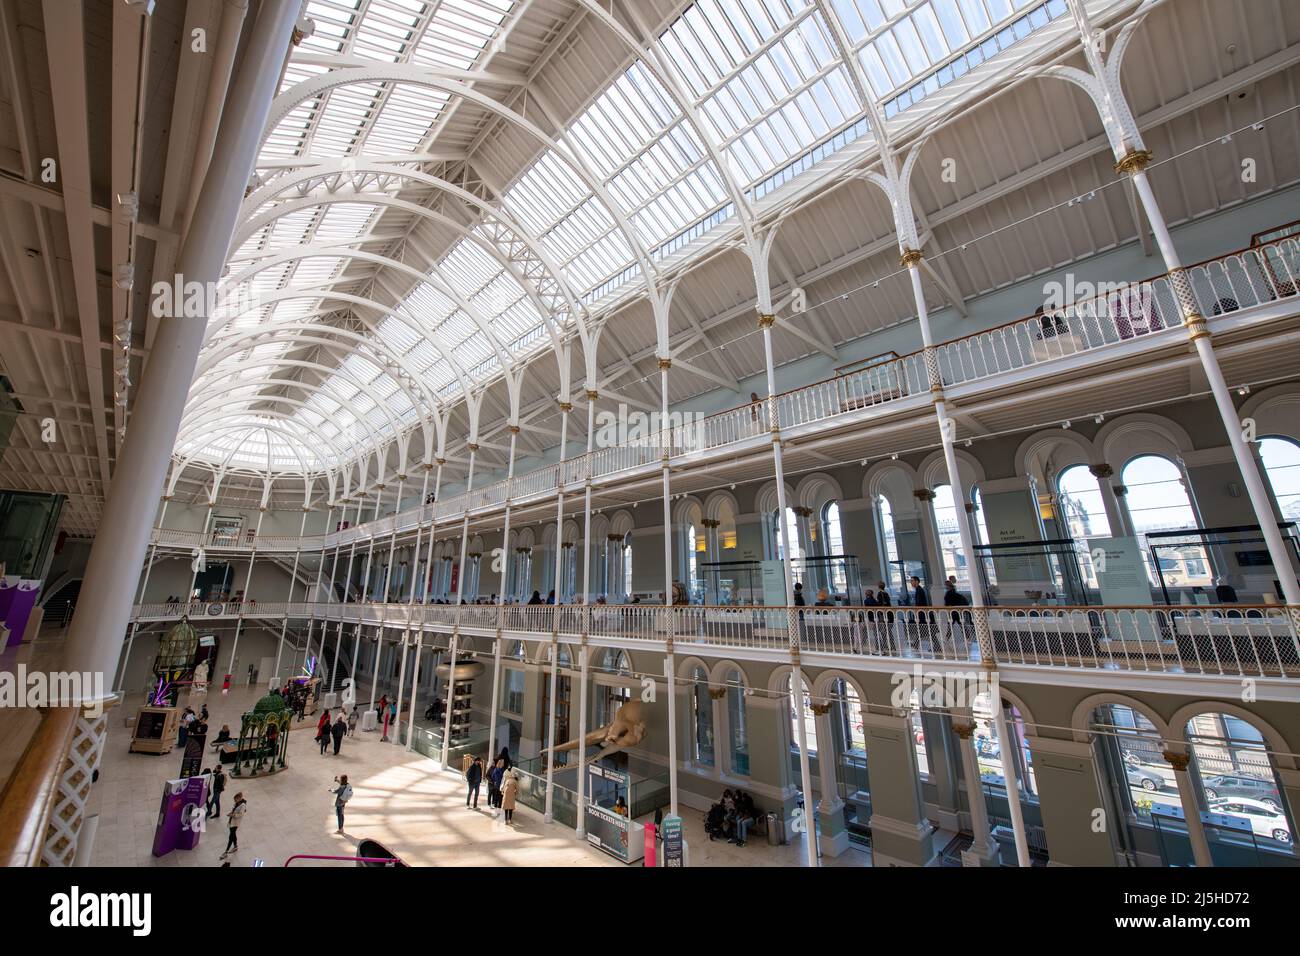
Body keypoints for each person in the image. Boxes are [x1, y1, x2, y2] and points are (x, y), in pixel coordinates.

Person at [220, 793, 246, 860]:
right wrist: (231, 813)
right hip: (231, 822)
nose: (234, 801)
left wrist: (233, 815)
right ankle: (235, 846)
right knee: (233, 835)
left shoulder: (243, 806)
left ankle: (225, 852)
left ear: (239, 799)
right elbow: (233, 810)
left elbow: (240, 815)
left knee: (231, 837)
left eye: (235, 800)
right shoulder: (236, 804)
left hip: (235, 823)